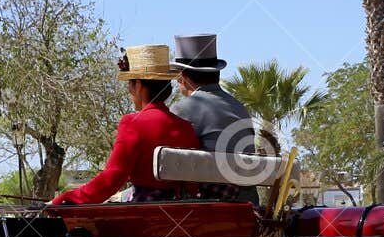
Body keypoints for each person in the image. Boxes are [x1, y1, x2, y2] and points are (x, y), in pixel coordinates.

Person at [49, 45, 200, 206]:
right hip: (183, 210)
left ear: (138, 86)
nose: (129, 90)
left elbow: (113, 178)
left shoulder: (133, 123)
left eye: (130, 83)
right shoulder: (186, 128)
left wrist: (68, 198)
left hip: (145, 212)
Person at [168, 33, 259, 203]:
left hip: (211, 204)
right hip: (248, 203)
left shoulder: (182, 109)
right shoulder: (239, 108)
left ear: (183, 78)